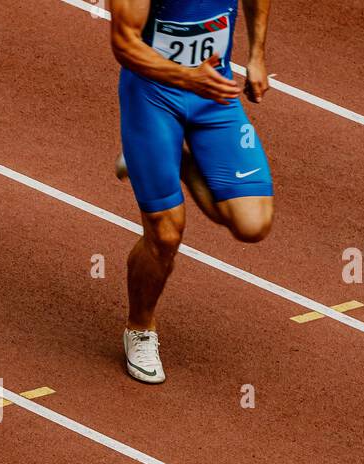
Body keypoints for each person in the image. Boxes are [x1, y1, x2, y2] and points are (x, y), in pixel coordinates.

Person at [111, 0, 274, 384]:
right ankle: (140, 329)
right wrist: (187, 79)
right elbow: (124, 43)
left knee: (252, 223)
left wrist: (257, 54)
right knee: (166, 234)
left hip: (213, 93)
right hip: (153, 97)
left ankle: (174, 161)